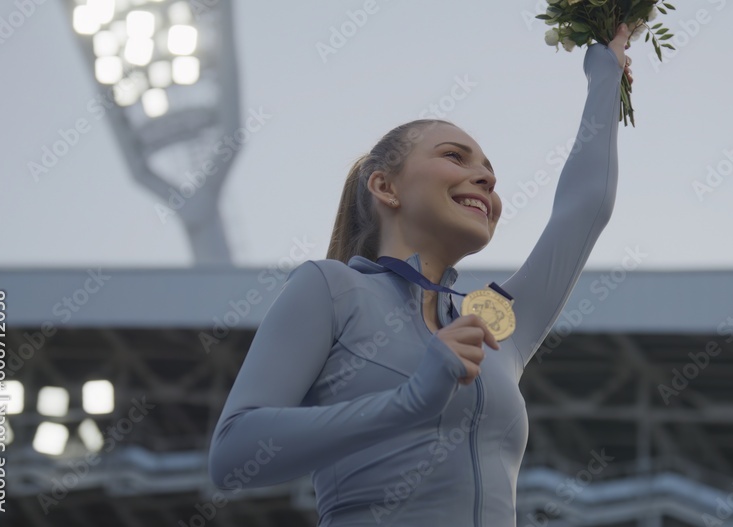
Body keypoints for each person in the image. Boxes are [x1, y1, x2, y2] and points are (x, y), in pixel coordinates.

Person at [208, 23, 634, 527]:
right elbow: (233, 455)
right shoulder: (329, 288)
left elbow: (584, 210)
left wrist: (605, 70)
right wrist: (409, 402)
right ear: (385, 187)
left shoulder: (494, 324)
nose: (487, 178)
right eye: (455, 156)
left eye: (490, 170)